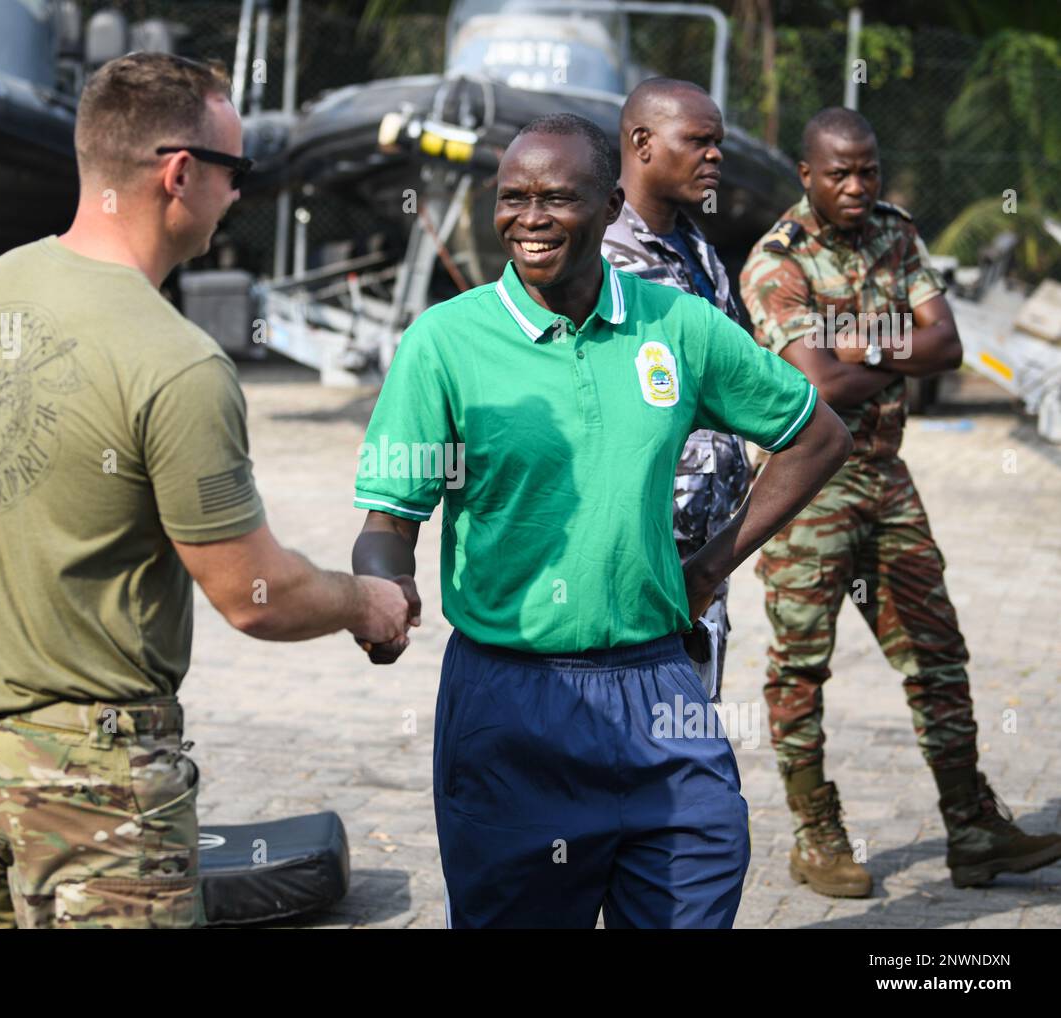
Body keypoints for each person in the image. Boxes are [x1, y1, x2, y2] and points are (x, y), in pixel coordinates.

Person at [0, 53, 410, 929]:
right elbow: (254, 595)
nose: (238, 194)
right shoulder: (176, 363)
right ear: (179, 174)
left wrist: (14, 610)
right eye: (234, 172)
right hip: (101, 794)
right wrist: (369, 602)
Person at [350, 113, 852, 928]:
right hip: (512, 700)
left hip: (660, 686)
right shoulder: (443, 343)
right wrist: (383, 586)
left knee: (699, 878)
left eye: (556, 197)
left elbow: (818, 435)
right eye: (513, 198)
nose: (530, 217)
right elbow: (390, 519)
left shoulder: (677, 325)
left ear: (612, 203)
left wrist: (707, 568)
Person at [740, 106, 1061, 898]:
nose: (856, 187)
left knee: (937, 651)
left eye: (868, 171)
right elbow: (818, 385)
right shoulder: (775, 263)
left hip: (886, 472)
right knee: (802, 665)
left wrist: (856, 347)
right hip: (805, 484)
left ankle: (974, 827)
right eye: (839, 174)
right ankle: (817, 836)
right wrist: (892, 349)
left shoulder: (896, 232)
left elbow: (947, 346)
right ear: (806, 175)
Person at [603, 77, 749, 698]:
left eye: (717, 143)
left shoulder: (699, 251)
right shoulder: (599, 255)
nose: (714, 155)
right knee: (626, 727)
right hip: (636, 547)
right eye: (697, 141)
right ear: (642, 142)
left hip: (704, 547)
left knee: (690, 717)